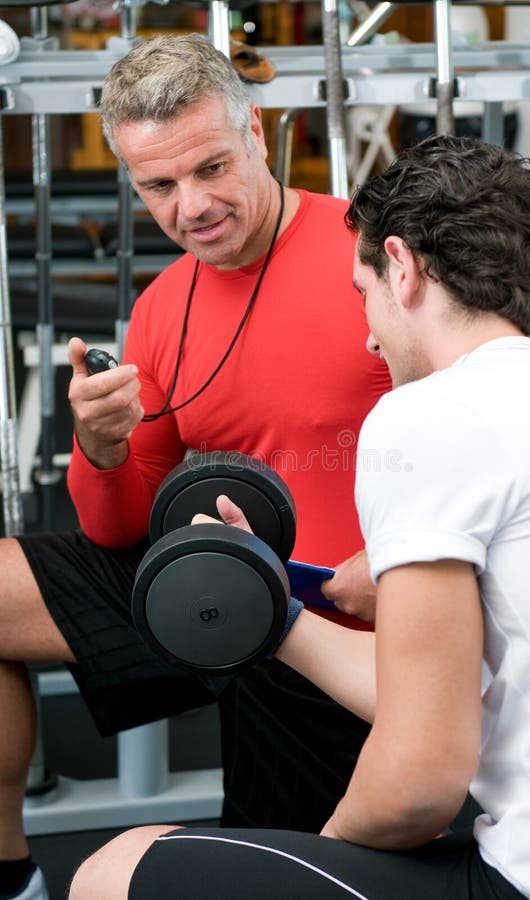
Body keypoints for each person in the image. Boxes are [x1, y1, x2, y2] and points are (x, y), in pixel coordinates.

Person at [69, 134, 530, 900]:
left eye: (363, 291)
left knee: (114, 870)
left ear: (403, 269)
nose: (367, 332)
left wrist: (321, 863)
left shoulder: (425, 415)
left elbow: (418, 782)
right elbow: (426, 698)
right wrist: (276, 610)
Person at [0, 33, 393, 900]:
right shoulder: (163, 306)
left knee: (290, 866)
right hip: (219, 580)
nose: (193, 207)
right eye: (159, 187)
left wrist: (408, 566)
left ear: (257, 132)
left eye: (212, 167)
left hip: (344, 620)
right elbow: (117, 527)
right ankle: (8, 878)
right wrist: (100, 451)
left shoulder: (377, 256)